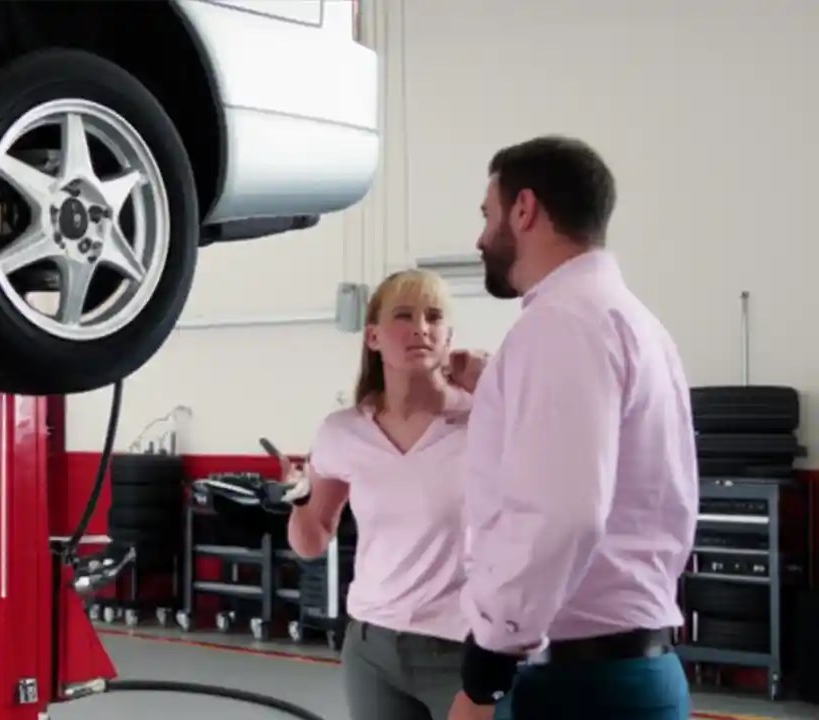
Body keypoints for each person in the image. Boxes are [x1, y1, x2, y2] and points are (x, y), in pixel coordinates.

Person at [446, 136, 699, 720]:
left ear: (524, 209)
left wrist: (489, 662)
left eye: (488, 215)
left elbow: (562, 513)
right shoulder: (633, 321)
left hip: (575, 686)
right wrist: (499, 392)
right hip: (635, 668)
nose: (482, 237)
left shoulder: (559, 324)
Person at [280, 268, 494, 720]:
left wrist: (494, 383)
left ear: (449, 334)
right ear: (373, 337)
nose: (420, 327)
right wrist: (298, 499)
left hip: (466, 649)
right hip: (373, 650)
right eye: (404, 315)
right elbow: (312, 540)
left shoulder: (486, 418)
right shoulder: (343, 432)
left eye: (433, 317)